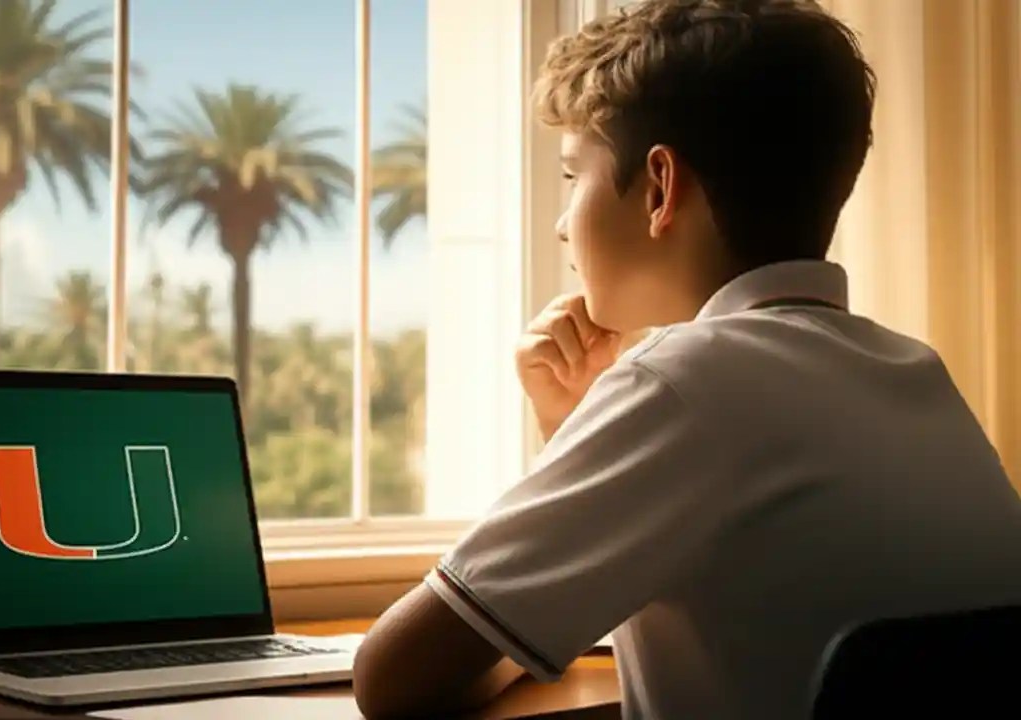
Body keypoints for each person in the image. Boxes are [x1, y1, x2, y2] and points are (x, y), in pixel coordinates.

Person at [351, 1, 1021, 718]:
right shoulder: (916, 374)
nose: (559, 224)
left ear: (660, 188)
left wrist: (604, 416)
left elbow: (390, 679)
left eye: (574, 176)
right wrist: (576, 425)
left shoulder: (683, 381)